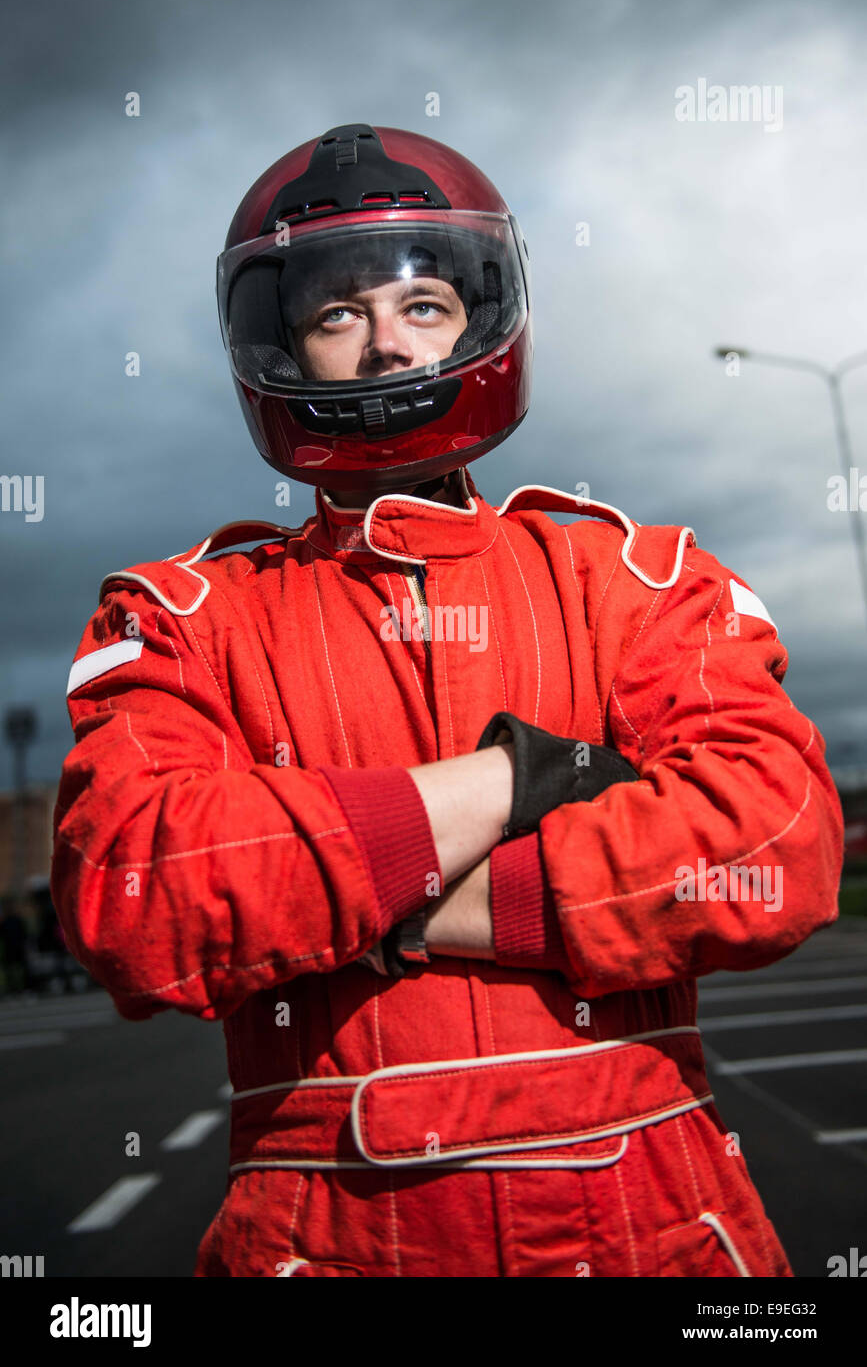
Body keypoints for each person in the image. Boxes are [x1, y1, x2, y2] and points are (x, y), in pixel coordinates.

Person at [51, 123, 843, 1278]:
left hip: (659, 1236)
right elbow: (136, 891)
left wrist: (410, 900)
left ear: (481, 322)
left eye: (422, 303)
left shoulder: (634, 580)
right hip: (323, 1244)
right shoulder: (184, 617)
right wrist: (518, 778)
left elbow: (778, 841)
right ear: (283, 349)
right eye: (337, 316)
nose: (383, 345)